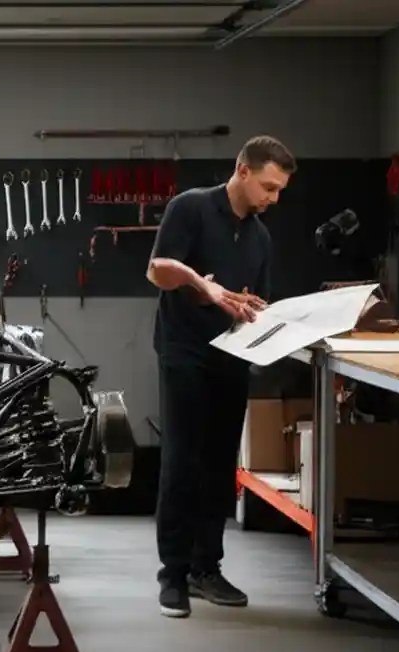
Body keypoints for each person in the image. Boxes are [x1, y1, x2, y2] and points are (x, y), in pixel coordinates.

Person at [145, 135, 296, 618]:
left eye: (280, 191)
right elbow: (158, 270)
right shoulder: (190, 208)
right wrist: (203, 286)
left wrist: (255, 309)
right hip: (183, 352)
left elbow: (257, 302)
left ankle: (206, 568)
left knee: (218, 466)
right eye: (269, 187)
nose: (274, 198)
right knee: (182, 462)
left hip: (230, 359)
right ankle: (173, 575)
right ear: (243, 170)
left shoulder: (261, 237)